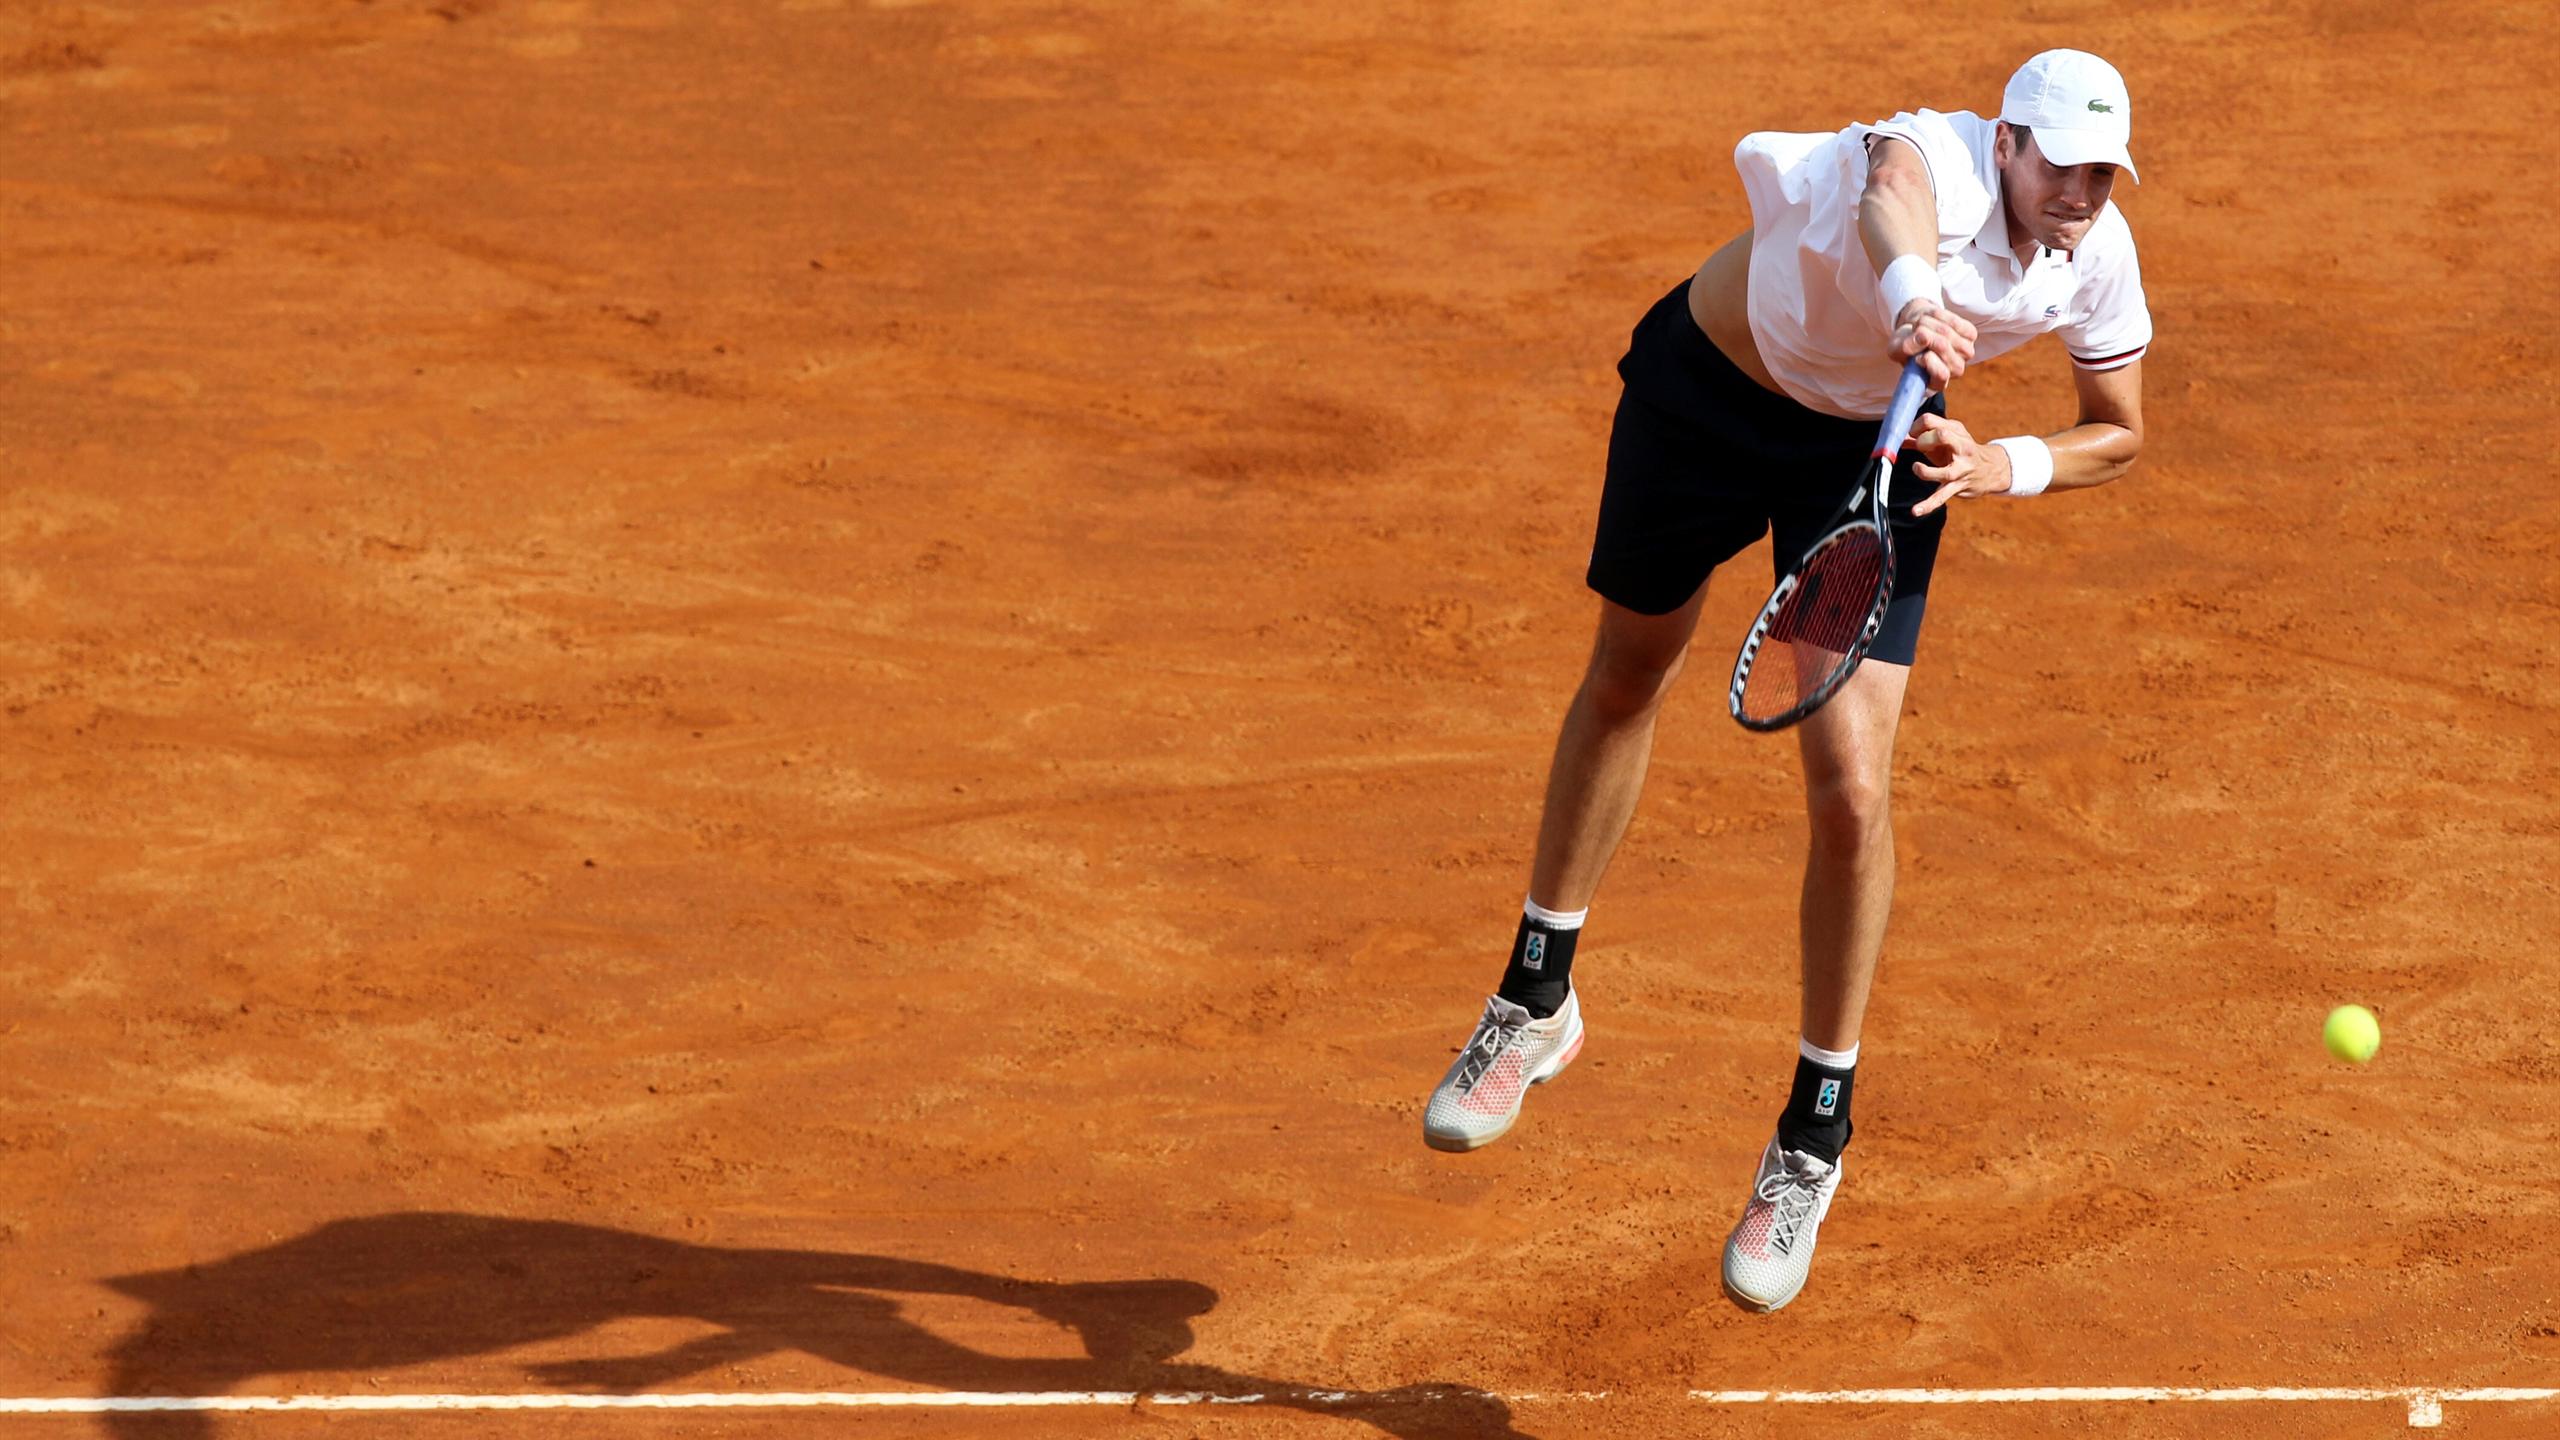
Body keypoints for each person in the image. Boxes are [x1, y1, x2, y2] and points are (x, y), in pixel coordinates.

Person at [1421, 50, 2151, 1314]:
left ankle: (1813, 1131)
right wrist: (1918, 300)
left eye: (2104, 170)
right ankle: (1536, 997)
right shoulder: (1930, 151)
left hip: (1864, 463)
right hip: (1706, 394)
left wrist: (2005, 465)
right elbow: (1889, 197)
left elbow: (2119, 425)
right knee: (1630, 669)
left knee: (1851, 791)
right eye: (2062, 164)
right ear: (2008, 145)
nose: (2082, 192)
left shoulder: (2096, 249)